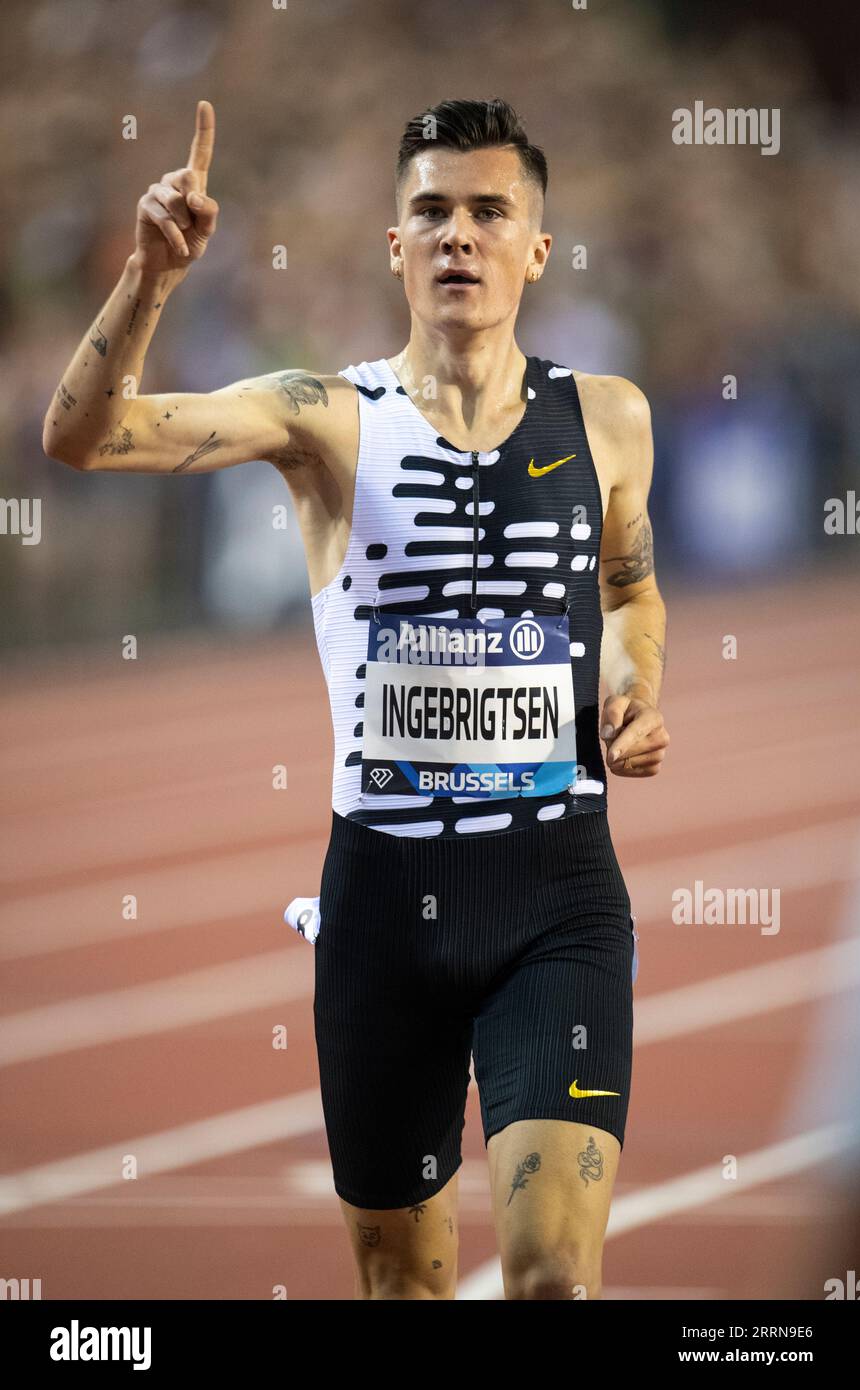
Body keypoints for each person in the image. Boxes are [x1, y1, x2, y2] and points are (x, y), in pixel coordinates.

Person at [43, 96, 669, 1300]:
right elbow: (83, 438)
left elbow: (630, 590)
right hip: (382, 910)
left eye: (489, 212)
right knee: (406, 1293)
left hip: (558, 901)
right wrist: (149, 280)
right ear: (393, 245)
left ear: (536, 248)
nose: (457, 236)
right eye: (429, 211)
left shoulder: (608, 418)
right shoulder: (320, 417)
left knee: (549, 1280)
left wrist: (636, 684)